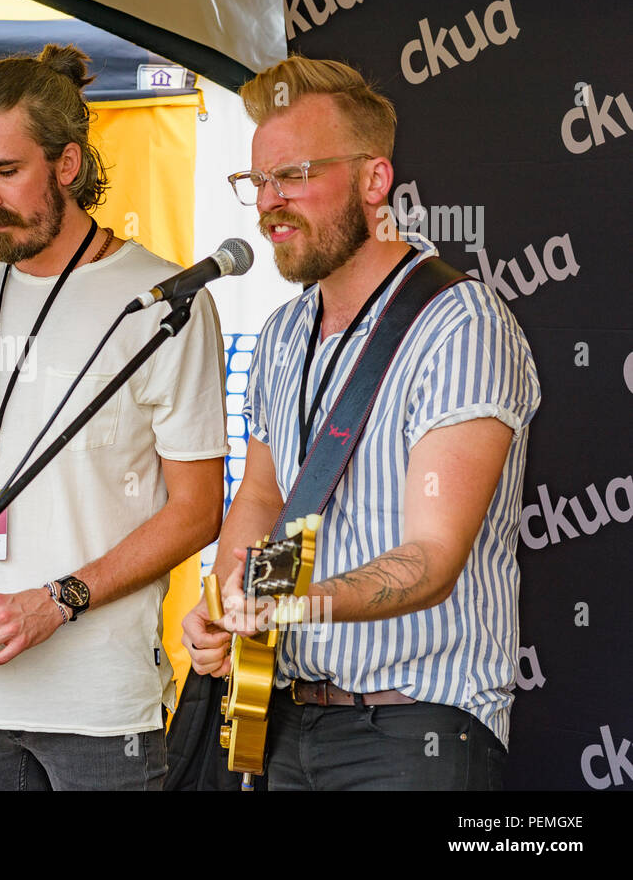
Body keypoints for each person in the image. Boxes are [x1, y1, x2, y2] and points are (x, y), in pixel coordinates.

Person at [182, 56, 541, 790]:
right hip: (280, 717)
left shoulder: (460, 322)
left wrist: (290, 599)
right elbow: (261, 496)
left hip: (416, 726)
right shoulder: (282, 333)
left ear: (374, 181)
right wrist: (222, 605)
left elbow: (433, 557)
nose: (269, 204)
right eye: (258, 182)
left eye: (294, 176)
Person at [0, 44, 228, 790]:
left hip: (102, 704)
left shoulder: (164, 300)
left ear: (69, 164)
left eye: (6, 171)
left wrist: (61, 600)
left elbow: (198, 509)